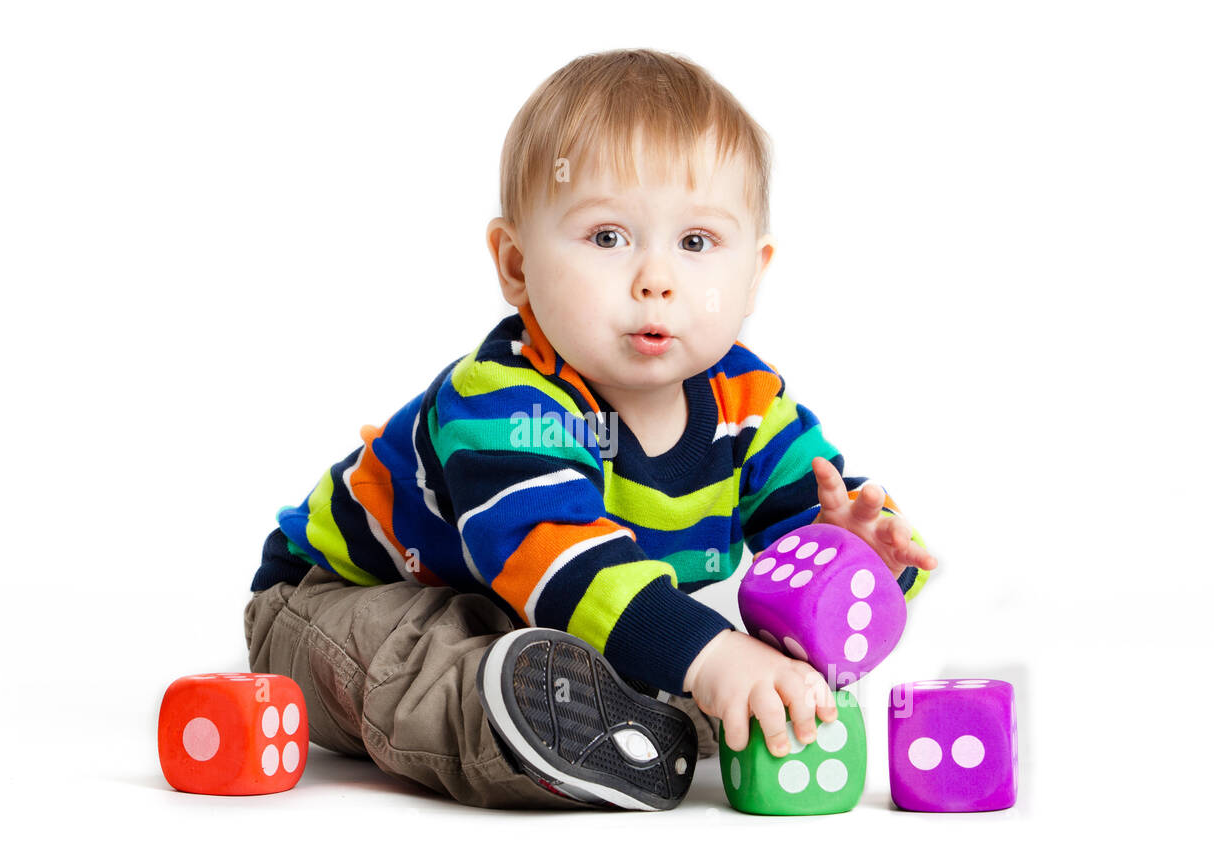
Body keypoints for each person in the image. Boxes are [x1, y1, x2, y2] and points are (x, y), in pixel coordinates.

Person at [244, 48, 937, 811]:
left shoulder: (749, 400)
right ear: (515, 264)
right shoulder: (506, 398)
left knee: (711, 653)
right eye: (608, 237)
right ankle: (526, 738)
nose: (655, 278)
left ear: (752, 277)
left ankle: (627, 720)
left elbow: (808, 531)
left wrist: (857, 554)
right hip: (339, 601)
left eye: (697, 243)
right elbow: (566, 566)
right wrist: (708, 658)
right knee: (434, 659)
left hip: (536, 621)